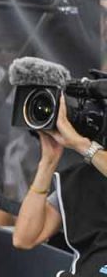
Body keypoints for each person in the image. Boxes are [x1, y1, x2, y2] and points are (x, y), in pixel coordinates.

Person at [13, 103, 107, 271]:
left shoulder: (86, 151)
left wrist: (81, 144)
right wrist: (48, 161)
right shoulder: (80, 179)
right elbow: (25, 237)